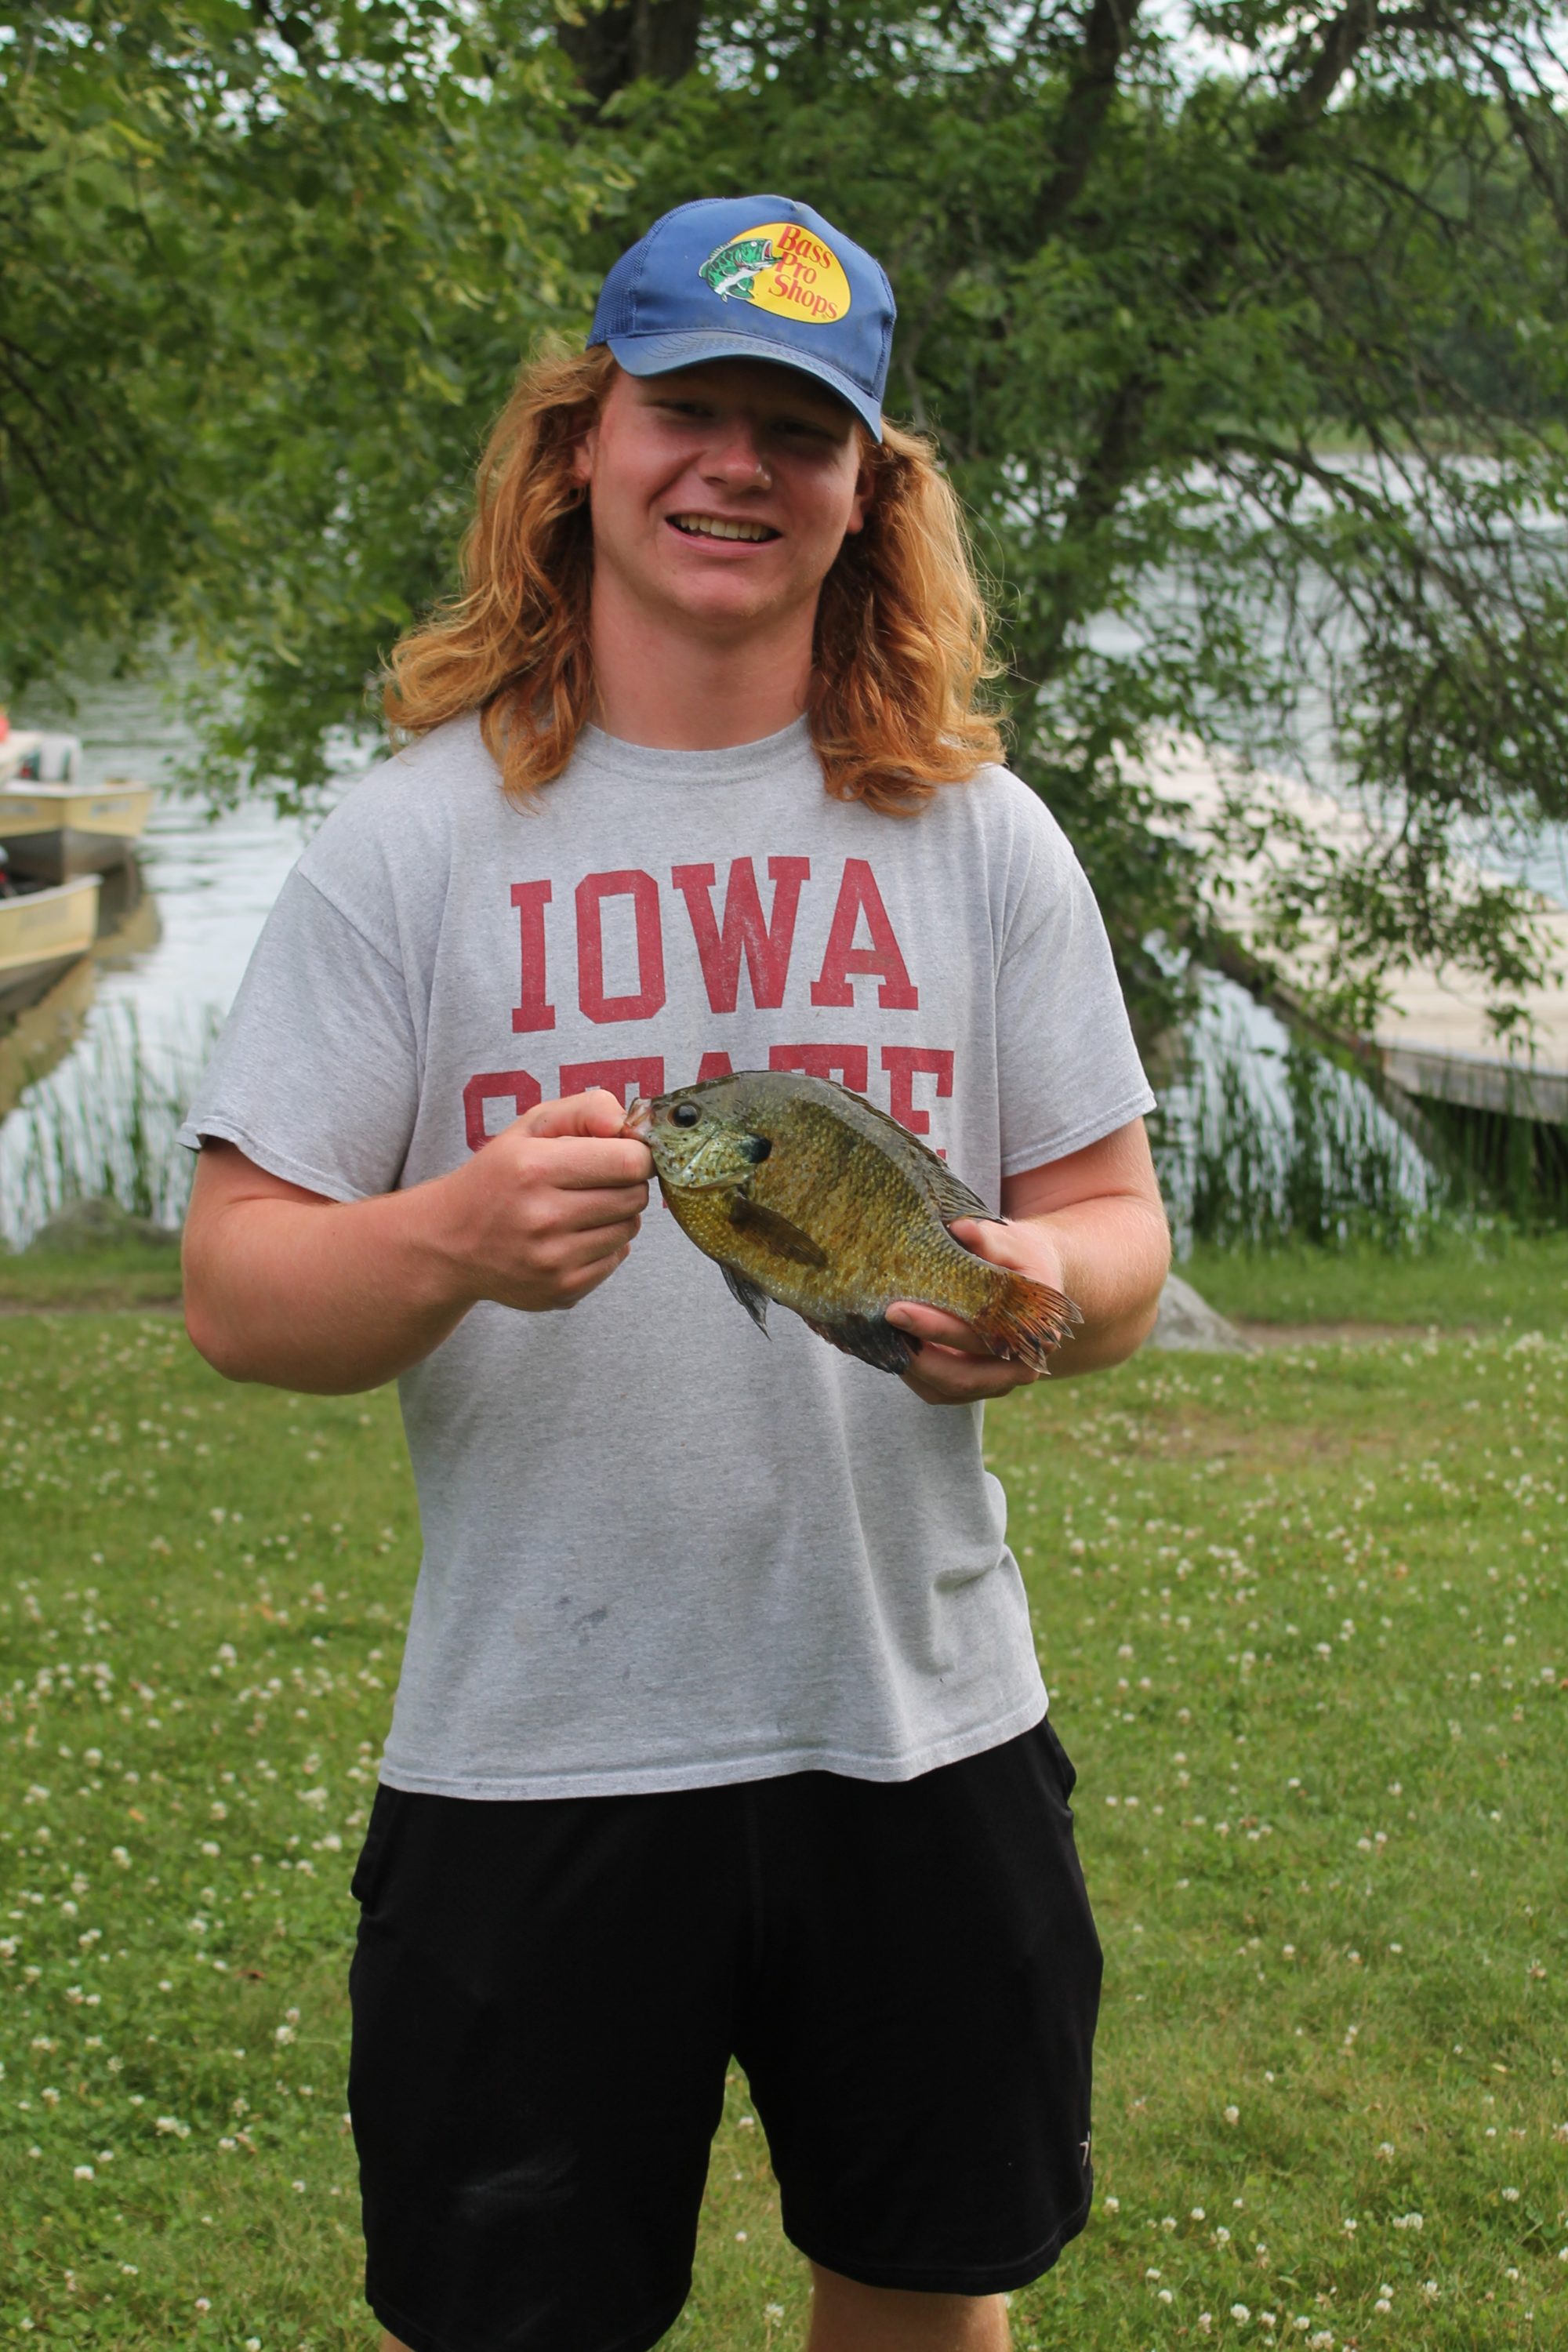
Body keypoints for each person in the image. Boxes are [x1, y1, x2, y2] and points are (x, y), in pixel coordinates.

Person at [180, 194, 1171, 2352]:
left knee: (926, 2294)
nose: (738, 467)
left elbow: (1115, 1224)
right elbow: (239, 1288)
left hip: (918, 1726)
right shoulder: (414, 841)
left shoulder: (979, 833)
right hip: (531, 1747)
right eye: (688, 412)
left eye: (798, 433)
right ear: (583, 448)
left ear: (866, 492)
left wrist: (1042, 1293)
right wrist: (445, 1238)